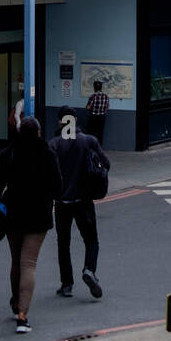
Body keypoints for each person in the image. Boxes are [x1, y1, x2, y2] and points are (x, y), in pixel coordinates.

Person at [0, 116, 62, 333]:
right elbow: (58, 187)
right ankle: (23, 316)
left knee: (16, 261)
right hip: (39, 213)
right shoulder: (47, 153)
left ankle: (15, 304)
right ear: (39, 132)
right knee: (29, 262)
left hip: (13, 211)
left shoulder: (9, 152)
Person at [49, 108, 110, 299]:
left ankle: (66, 284)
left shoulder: (54, 144)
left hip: (61, 202)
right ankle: (89, 270)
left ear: (60, 122)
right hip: (84, 200)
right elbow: (106, 164)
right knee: (91, 240)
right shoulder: (89, 140)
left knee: (63, 243)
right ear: (74, 120)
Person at [85, 81, 110, 145]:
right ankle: (99, 147)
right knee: (100, 133)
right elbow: (107, 108)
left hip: (93, 117)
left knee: (90, 132)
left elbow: (88, 107)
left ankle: (90, 146)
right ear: (101, 87)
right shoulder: (106, 96)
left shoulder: (93, 96)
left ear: (94, 88)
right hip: (102, 117)